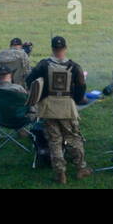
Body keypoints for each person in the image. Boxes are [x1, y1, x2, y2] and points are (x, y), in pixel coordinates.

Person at [26, 36, 91, 184]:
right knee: (74, 138)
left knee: (54, 141)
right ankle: (81, 168)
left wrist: (41, 96)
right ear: (65, 48)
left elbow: (31, 81)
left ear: (52, 49)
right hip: (67, 107)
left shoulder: (44, 64)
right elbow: (81, 88)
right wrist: (74, 99)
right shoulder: (75, 67)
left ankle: (60, 173)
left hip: (48, 107)